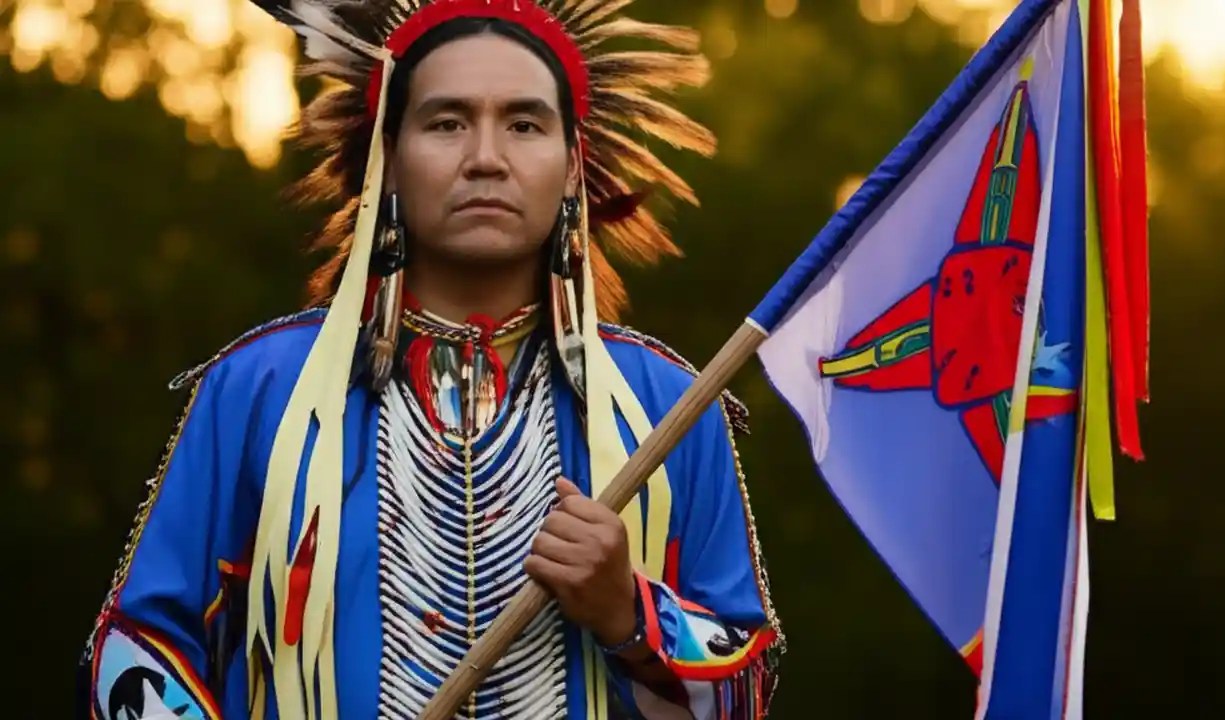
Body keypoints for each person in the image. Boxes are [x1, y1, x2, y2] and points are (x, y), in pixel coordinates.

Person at [77, 1, 782, 718]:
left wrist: (631, 615)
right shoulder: (260, 390)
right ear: (388, 157)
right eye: (446, 123)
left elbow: (750, 688)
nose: (485, 157)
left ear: (572, 166)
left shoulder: (668, 407)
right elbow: (136, 651)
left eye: (525, 124)